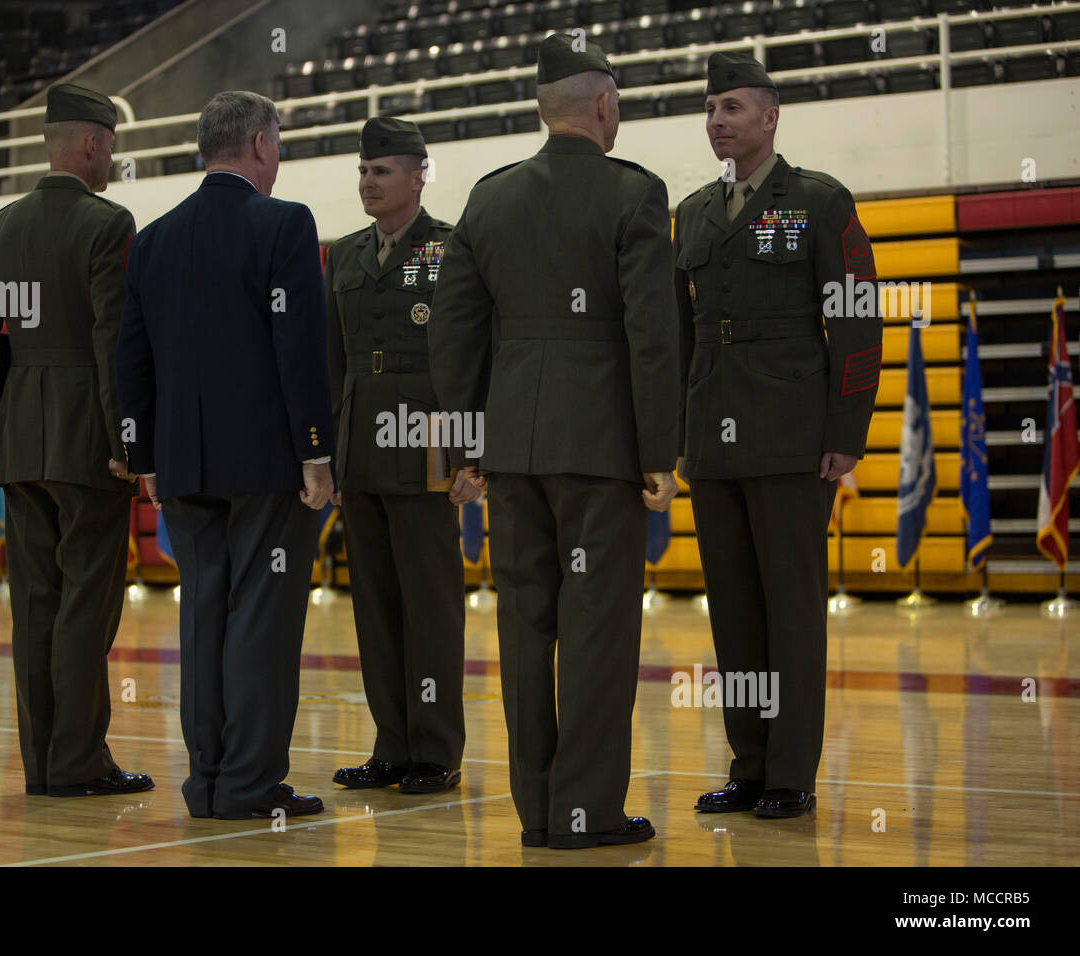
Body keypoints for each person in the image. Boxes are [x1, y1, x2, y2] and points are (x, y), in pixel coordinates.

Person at [428, 34, 679, 849]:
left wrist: (465, 449)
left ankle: (539, 810)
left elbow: (454, 335)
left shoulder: (489, 198)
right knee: (599, 632)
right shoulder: (633, 194)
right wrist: (657, 453)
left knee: (524, 630)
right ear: (603, 105)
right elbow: (651, 334)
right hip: (600, 446)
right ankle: (588, 813)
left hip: (511, 450)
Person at [115, 91, 334, 820]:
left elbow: (132, 360)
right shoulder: (284, 223)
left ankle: (207, 780)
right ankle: (248, 784)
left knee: (203, 618)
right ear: (261, 145)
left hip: (183, 468)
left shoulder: (153, 240)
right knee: (261, 623)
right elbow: (297, 348)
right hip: (267, 467)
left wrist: (142, 456)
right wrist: (315, 452)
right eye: (279, 143)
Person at [675, 52, 882, 819]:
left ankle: (792, 771)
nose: (717, 121)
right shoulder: (693, 212)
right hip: (715, 438)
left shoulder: (820, 201)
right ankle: (751, 763)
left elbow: (856, 318)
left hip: (794, 436)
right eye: (710, 109)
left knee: (792, 610)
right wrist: (678, 436)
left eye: (732, 107)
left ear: (770, 115)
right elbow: (679, 332)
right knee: (733, 611)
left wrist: (847, 433)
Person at [0, 82, 152, 797]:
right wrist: (128, 436)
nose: (111, 158)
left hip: (17, 441)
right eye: (111, 145)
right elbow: (112, 340)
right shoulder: (106, 223)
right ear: (92, 142)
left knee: (34, 606)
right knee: (86, 605)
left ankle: (42, 766)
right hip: (87, 441)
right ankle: (79, 763)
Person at [326, 117, 477, 795]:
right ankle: (391, 745)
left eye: (381, 171)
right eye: (363, 171)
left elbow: (474, 357)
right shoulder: (347, 256)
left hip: (424, 448)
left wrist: (471, 453)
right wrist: (324, 454)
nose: (368, 182)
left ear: (419, 175)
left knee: (431, 607)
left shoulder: (450, 249)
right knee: (377, 609)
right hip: (360, 448)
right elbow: (332, 362)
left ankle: (435, 749)